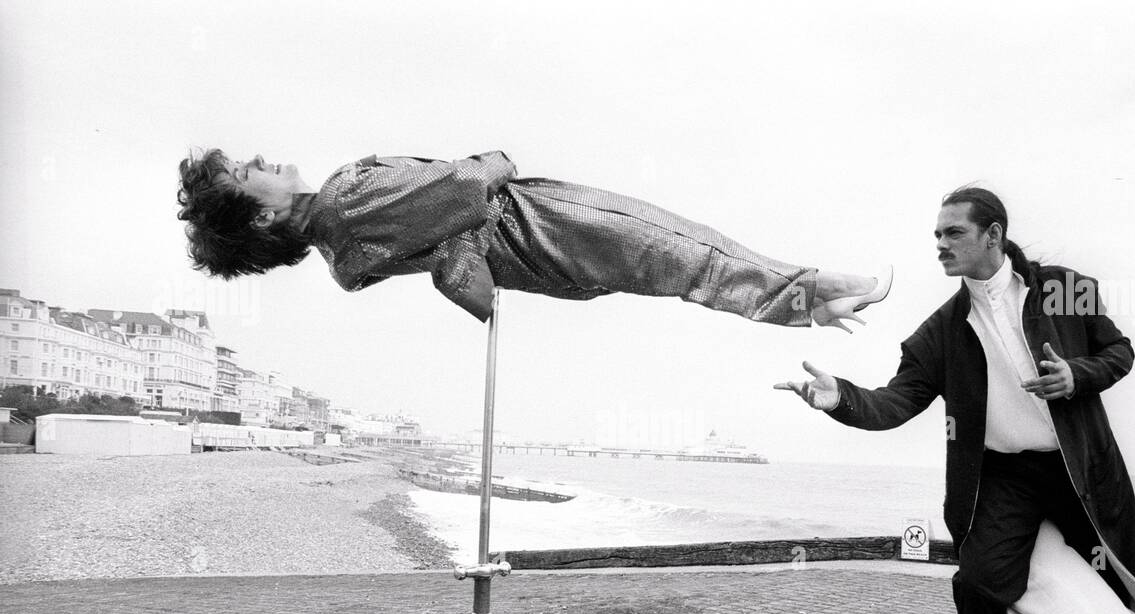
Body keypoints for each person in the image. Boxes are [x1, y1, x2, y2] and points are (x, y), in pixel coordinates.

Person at [776, 186, 1135, 614]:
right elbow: (895, 403)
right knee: (974, 585)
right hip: (1002, 479)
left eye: (953, 233)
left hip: (1079, 467)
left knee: (1118, 578)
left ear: (994, 234)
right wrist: (840, 399)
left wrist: (1077, 376)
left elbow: (1120, 352)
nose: (940, 245)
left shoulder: (1063, 286)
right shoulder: (942, 330)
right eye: (937, 235)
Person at [176, 150, 890, 333]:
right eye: (248, 173)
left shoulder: (342, 257)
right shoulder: (343, 199)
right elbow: (467, 185)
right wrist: (495, 158)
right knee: (682, 247)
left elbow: (444, 245)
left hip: (535, 262)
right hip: (542, 222)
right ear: (262, 219)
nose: (264, 162)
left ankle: (808, 300)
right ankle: (813, 293)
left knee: (680, 265)